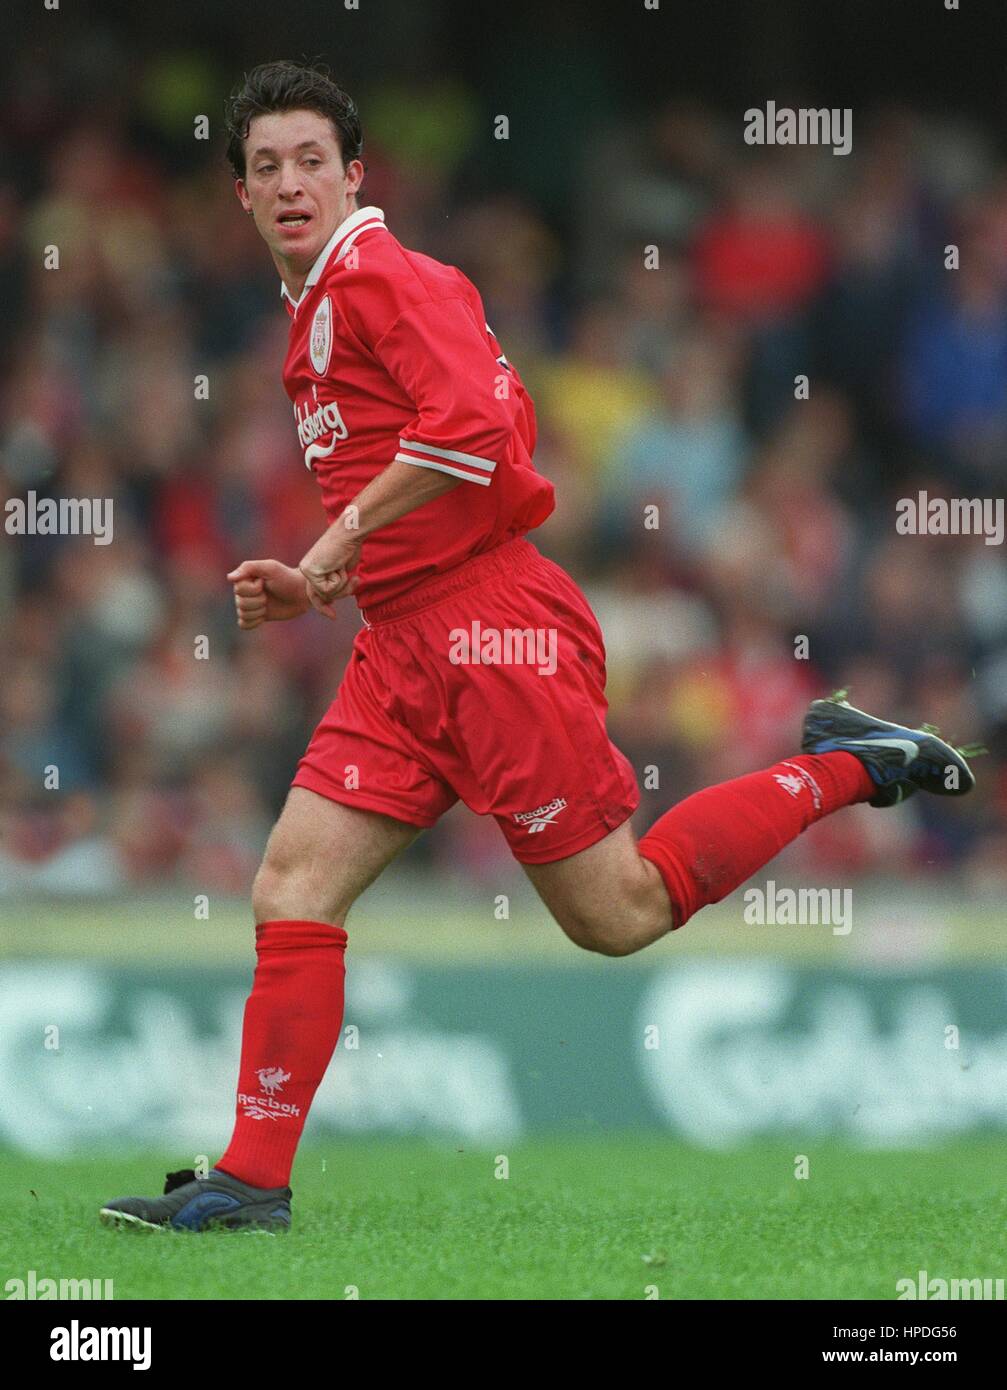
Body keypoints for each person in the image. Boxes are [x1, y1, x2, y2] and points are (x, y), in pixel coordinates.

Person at [100, 61, 978, 1233]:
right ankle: (251, 1181)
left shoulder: (382, 276)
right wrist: (322, 581)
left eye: (311, 159)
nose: (290, 182)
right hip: (403, 642)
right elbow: (445, 461)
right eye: (265, 167)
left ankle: (848, 762)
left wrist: (328, 547)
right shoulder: (316, 315)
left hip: (487, 630)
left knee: (614, 913)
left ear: (354, 174)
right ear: (242, 198)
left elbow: (465, 432)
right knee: (292, 882)